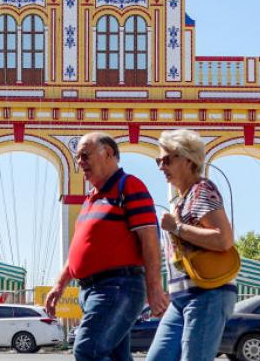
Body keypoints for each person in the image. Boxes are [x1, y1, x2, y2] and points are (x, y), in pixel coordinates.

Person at [45, 132, 168, 361]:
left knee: (88, 351)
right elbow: (78, 249)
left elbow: (149, 239)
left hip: (117, 287)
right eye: (77, 157)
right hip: (93, 290)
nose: (79, 162)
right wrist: (58, 285)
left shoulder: (129, 186)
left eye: (85, 155)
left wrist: (154, 288)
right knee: (114, 355)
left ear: (108, 153)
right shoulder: (91, 198)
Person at [146, 128, 237, 361]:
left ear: (188, 160)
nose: (161, 167)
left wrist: (176, 228)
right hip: (182, 297)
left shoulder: (201, 191)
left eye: (166, 160)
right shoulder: (182, 199)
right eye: (158, 160)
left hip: (208, 293)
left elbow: (223, 239)